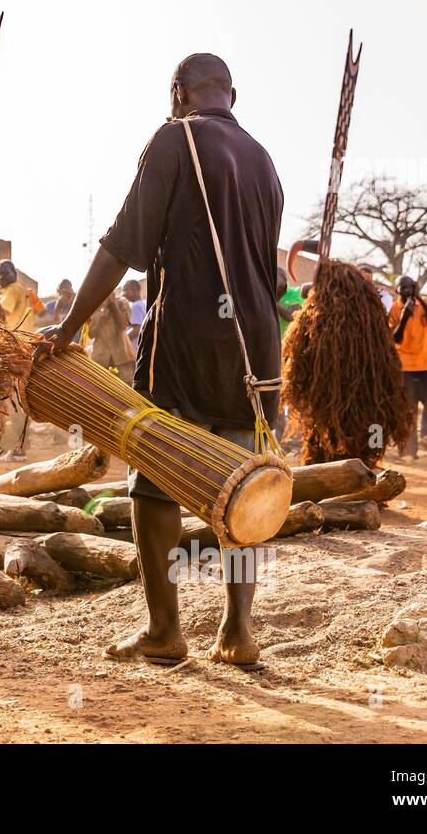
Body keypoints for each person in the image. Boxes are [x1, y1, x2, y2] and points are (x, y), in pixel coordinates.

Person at [41, 52, 283, 668]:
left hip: (187, 334)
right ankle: (238, 632)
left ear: (177, 92)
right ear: (233, 93)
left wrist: (67, 327)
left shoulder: (175, 139)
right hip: (257, 342)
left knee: (154, 477)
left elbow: (123, 243)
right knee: (245, 480)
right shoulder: (264, 160)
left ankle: (164, 631)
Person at [389, 276, 427, 464]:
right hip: (405, 367)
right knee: (408, 412)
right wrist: (405, 316)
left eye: (410, 287)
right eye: (403, 288)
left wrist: (420, 298)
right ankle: (407, 452)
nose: (407, 291)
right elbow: (395, 338)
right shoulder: (395, 308)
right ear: (397, 290)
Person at [0, 258, 32, 462]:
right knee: (20, 403)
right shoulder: (24, 291)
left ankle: (18, 450)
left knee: (16, 403)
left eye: (4, 273)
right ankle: (18, 448)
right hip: (24, 347)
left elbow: (1, 313)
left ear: (14, 273)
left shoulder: (11, 291)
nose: (1, 277)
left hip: (15, 350)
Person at [88, 291, 136, 384]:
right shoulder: (92, 307)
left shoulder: (121, 302)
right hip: (101, 359)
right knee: (104, 390)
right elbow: (91, 334)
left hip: (123, 358)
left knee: (126, 391)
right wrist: (101, 320)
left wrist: (113, 304)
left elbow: (123, 325)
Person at [276, 266, 303, 338]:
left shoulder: (296, 294)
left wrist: (272, 302)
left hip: (290, 344)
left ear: (285, 283)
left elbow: (291, 316)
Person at [122, 278, 146, 349]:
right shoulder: (143, 304)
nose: (123, 293)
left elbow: (137, 329)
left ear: (134, 289)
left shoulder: (135, 306)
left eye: (125, 290)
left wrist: (122, 340)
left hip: (135, 348)